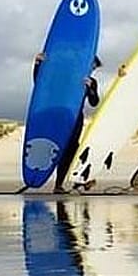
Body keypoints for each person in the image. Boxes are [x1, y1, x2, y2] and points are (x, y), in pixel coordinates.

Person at [34, 53, 100, 193]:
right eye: (91, 66)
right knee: (61, 147)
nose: (91, 70)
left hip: (76, 118)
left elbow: (94, 103)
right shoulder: (66, 76)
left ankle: (66, 183)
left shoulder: (91, 81)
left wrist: (91, 89)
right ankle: (70, 182)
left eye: (94, 68)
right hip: (57, 116)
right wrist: (38, 65)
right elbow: (40, 83)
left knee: (73, 148)